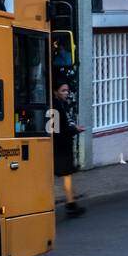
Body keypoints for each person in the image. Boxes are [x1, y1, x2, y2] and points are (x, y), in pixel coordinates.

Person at [52, 82, 85, 216]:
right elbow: (60, 130)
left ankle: (71, 202)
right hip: (60, 147)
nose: (66, 93)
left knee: (67, 175)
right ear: (56, 91)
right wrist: (75, 130)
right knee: (66, 175)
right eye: (63, 90)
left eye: (67, 90)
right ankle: (71, 204)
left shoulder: (61, 105)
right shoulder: (57, 107)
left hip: (62, 146)